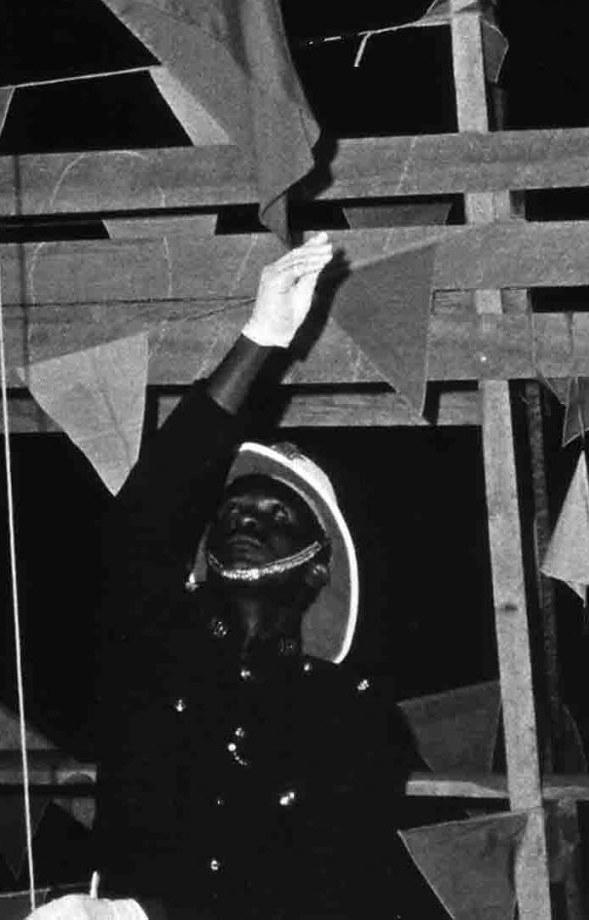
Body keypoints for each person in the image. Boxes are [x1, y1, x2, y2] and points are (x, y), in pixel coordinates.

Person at [92, 232, 416, 919]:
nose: (246, 518)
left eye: (276, 514)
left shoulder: (352, 710)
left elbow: (330, 880)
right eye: (234, 507)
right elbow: (146, 516)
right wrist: (261, 336)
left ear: (317, 564)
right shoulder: (153, 648)